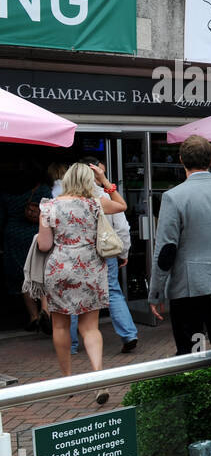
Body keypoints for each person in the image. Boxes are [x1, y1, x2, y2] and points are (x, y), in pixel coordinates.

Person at [36, 163, 128, 403]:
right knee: (90, 328)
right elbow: (122, 205)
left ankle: (68, 381)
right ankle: (98, 377)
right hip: (90, 267)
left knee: (61, 326)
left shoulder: (48, 206)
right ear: (90, 181)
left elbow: (44, 246)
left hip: (59, 268)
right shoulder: (95, 203)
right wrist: (105, 181)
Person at [149, 135, 211, 356]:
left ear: (181, 159)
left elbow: (166, 250)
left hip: (189, 289)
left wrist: (155, 293)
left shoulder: (174, 197)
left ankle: (197, 387)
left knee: (192, 352)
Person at [69, 161, 137, 356]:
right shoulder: (101, 198)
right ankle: (129, 334)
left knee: (74, 296)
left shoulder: (61, 200)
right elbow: (122, 222)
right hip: (104, 253)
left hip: (75, 256)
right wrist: (123, 252)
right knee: (113, 292)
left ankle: (72, 344)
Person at [3, 162, 53, 333]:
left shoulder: (6, 191)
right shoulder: (43, 189)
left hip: (14, 236)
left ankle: (32, 317)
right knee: (40, 272)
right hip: (37, 234)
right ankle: (45, 310)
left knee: (22, 276)